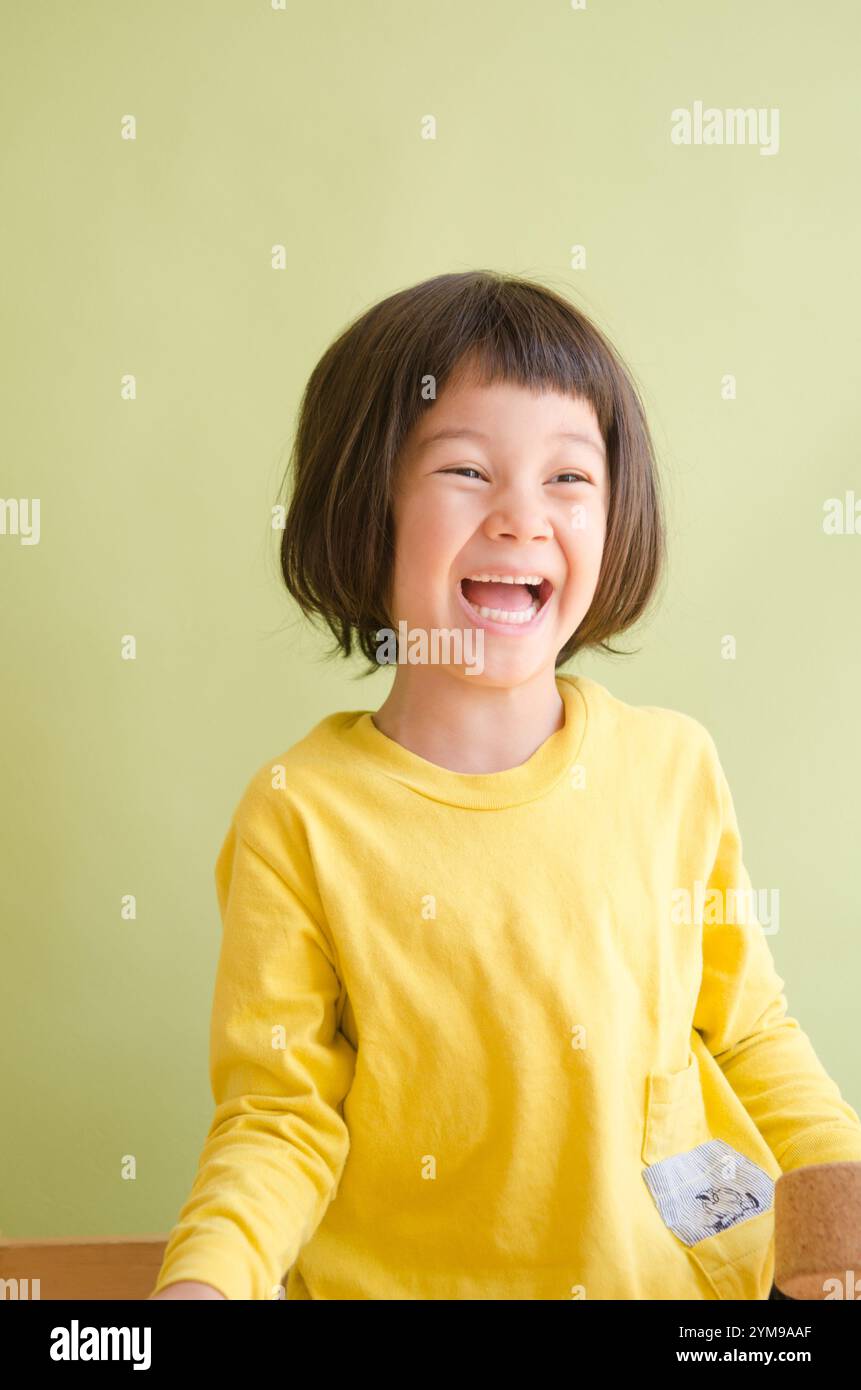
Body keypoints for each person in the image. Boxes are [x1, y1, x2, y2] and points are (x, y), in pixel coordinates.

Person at [150, 270, 861, 1300]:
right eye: (469, 471)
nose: (524, 518)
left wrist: (839, 1205)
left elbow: (749, 1029)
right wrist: (204, 1283)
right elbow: (280, 1114)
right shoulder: (299, 812)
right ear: (367, 507)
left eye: (570, 479)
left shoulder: (671, 767)